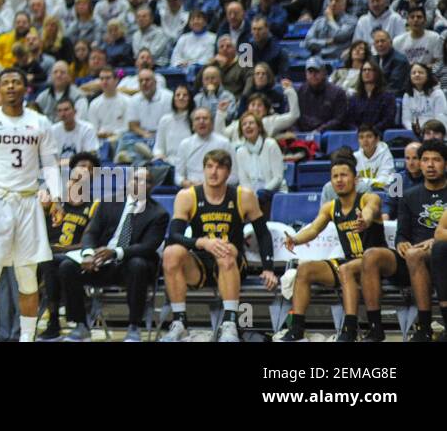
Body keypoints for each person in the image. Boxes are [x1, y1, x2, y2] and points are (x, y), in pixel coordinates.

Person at [0, 68, 62, 342]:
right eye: (5, 83)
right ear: (0, 89)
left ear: (25, 88)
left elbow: (50, 164)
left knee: (28, 276)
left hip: (28, 202)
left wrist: (57, 197)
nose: (10, 86)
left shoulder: (40, 122)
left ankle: (27, 337)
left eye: (16, 82)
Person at [160, 149, 277, 342]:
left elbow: (263, 234)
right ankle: (179, 322)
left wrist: (269, 268)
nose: (214, 172)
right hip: (200, 265)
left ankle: (229, 323)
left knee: (226, 249)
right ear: (203, 169)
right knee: (171, 252)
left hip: (232, 262)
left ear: (228, 172)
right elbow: (173, 235)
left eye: (220, 167)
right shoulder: (187, 196)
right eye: (209, 166)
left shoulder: (243, 195)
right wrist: (202, 242)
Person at [57, 164, 170, 342]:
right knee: (67, 267)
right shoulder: (108, 203)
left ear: (152, 186)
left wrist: (116, 252)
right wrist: (87, 253)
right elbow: (91, 233)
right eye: (136, 179)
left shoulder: (158, 213)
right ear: (128, 181)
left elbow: (148, 247)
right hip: (101, 263)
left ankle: (133, 327)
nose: (141, 184)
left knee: (138, 265)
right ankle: (80, 325)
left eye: (146, 182)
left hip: (131, 266)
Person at [278, 152, 383, 342]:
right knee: (305, 269)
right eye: (335, 176)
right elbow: (314, 229)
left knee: (347, 267)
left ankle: (350, 329)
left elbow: (370, 211)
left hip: (377, 261)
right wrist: (295, 239)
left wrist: (365, 220)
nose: (339, 180)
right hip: (350, 263)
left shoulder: (369, 198)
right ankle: (296, 328)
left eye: (344, 175)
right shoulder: (330, 207)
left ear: (355, 178)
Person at [357, 138, 446, 341]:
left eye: (436, 160)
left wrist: (436, 242)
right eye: (425, 160)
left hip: (441, 257)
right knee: (371, 255)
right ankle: (375, 328)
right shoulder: (408, 195)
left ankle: (424, 327)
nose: (430, 165)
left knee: (415, 254)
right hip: (413, 259)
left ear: (446, 164)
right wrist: (400, 243)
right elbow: (402, 233)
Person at [39, 152, 100, 340]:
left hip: (75, 256)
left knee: (54, 262)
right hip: (46, 254)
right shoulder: (54, 200)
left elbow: (92, 241)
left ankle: (54, 321)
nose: (84, 171)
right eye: (80, 166)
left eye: (89, 169)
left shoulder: (94, 205)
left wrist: (61, 250)